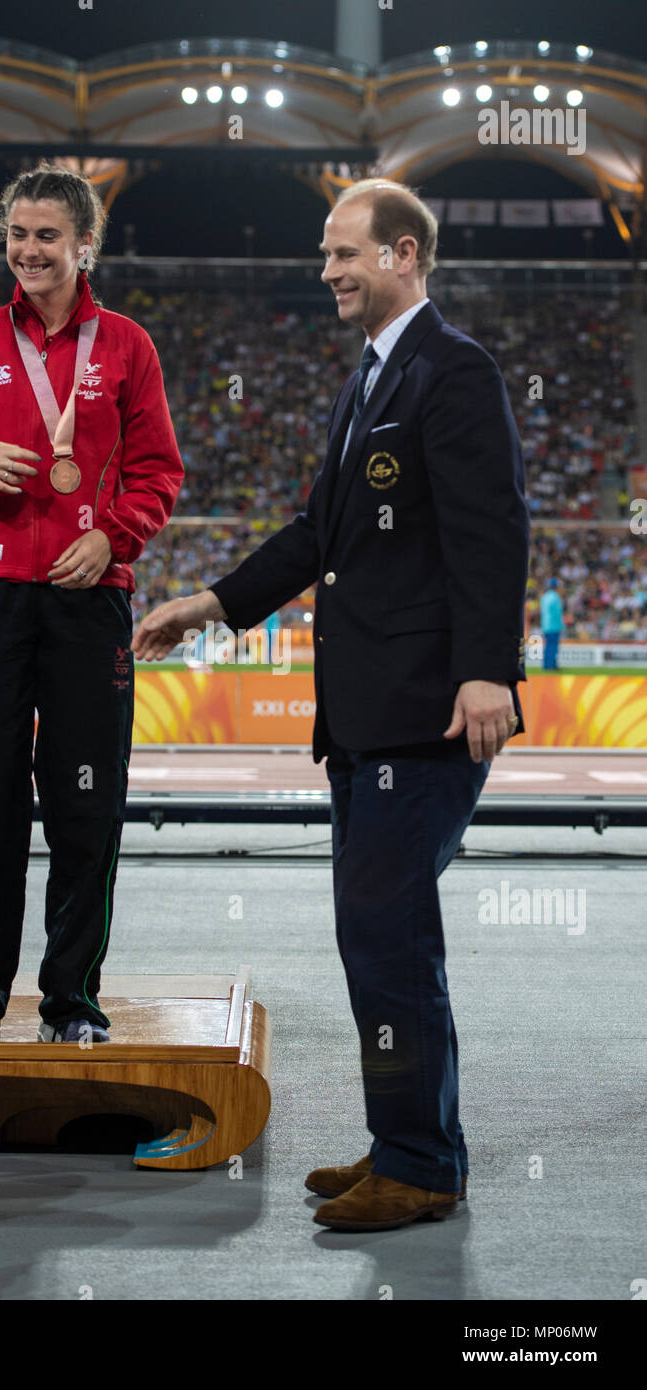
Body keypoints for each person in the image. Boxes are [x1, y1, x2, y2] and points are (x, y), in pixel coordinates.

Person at [133, 179, 528, 1232]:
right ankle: (410, 1144)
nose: (328, 272)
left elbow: (494, 527)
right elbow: (319, 539)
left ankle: (421, 1164)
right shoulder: (369, 382)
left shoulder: (456, 370)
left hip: (428, 712)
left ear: (403, 253)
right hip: (366, 718)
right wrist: (209, 604)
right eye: (325, 254)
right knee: (382, 937)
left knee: (384, 931)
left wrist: (489, 667)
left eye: (344, 254)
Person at [0, 165, 184, 1044]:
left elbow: (157, 474)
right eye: (17, 235)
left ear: (84, 247)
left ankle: (72, 1002)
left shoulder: (127, 348)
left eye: (46, 237)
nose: (28, 252)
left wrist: (115, 537)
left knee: (86, 802)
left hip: (87, 597)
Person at [540, 578, 564, 669]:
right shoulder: (555, 596)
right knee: (553, 646)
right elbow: (557, 613)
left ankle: (546, 664)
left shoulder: (545, 596)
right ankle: (551, 665)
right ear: (556, 587)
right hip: (554, 625)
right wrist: (561, 626)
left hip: (545, 625)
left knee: (547, 646)